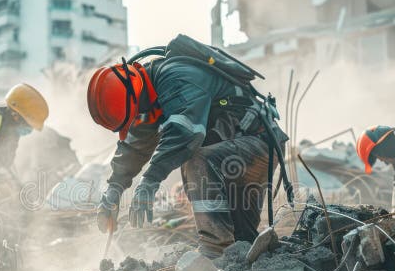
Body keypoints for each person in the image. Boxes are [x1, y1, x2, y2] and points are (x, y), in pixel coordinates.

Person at [87, 50, 286, 258]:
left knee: (195, 161)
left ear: (136, 96)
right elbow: (134, 147)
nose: (138, 118)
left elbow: (187, 134)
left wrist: (149, 181)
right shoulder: (146, 95)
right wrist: (114, 190)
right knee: (242, 240)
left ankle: (215, 251)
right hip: (234, 153)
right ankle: (239, 266)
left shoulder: (176, 78)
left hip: (258, 146)